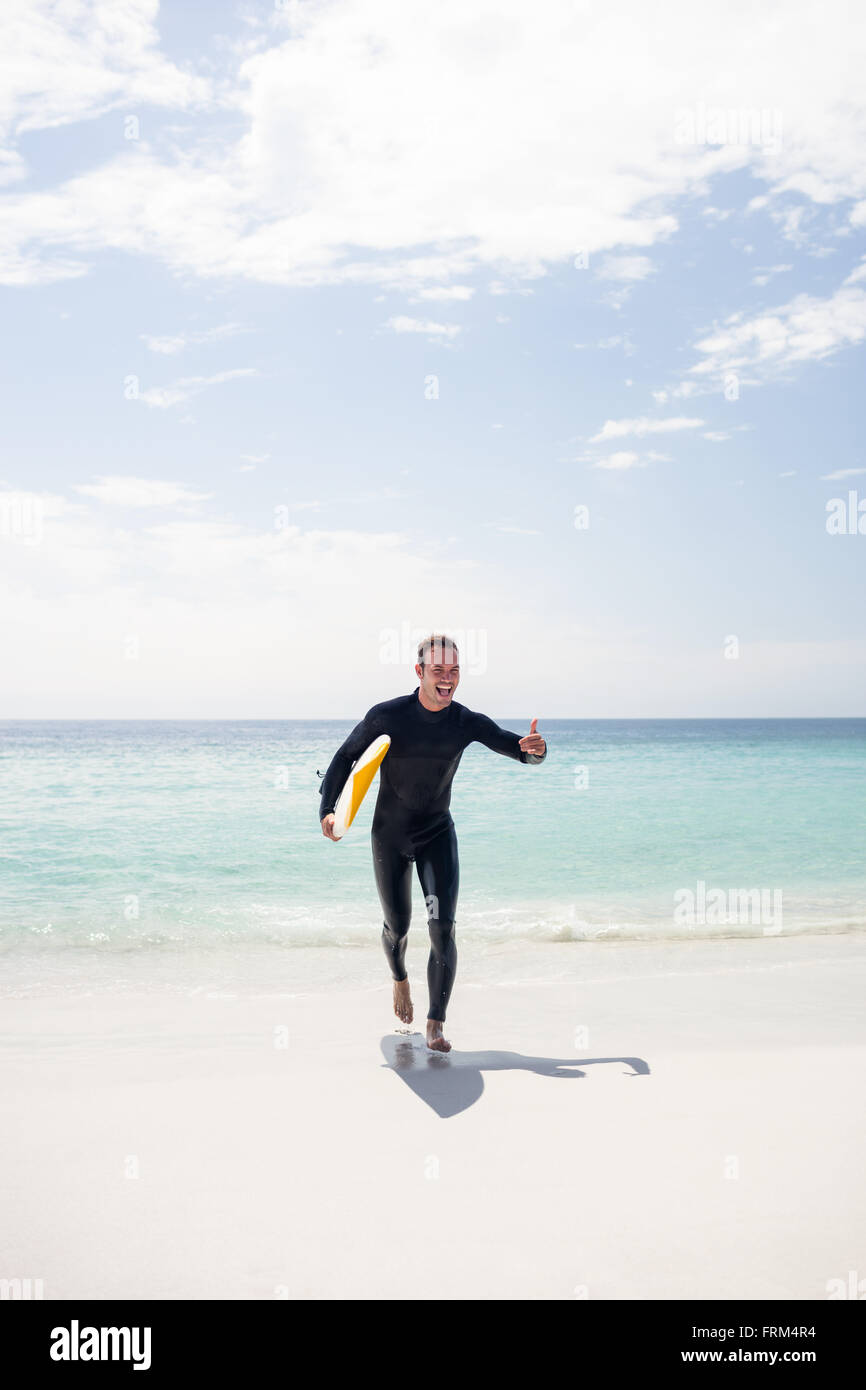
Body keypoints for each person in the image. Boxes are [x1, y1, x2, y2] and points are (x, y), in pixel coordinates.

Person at [318, 634, 547, 1051]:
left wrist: (535, 751)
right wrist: (328, 810)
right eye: (439, 670)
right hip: (389, 836)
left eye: (454, 670)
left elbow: (516, 748)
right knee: (398, 927)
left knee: (442, 927)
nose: (448, 678)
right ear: (420, 672)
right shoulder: (387, 716)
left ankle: (435, 1023)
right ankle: (399, 978)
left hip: (437, 833)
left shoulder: (465, 721)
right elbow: (345, 758)